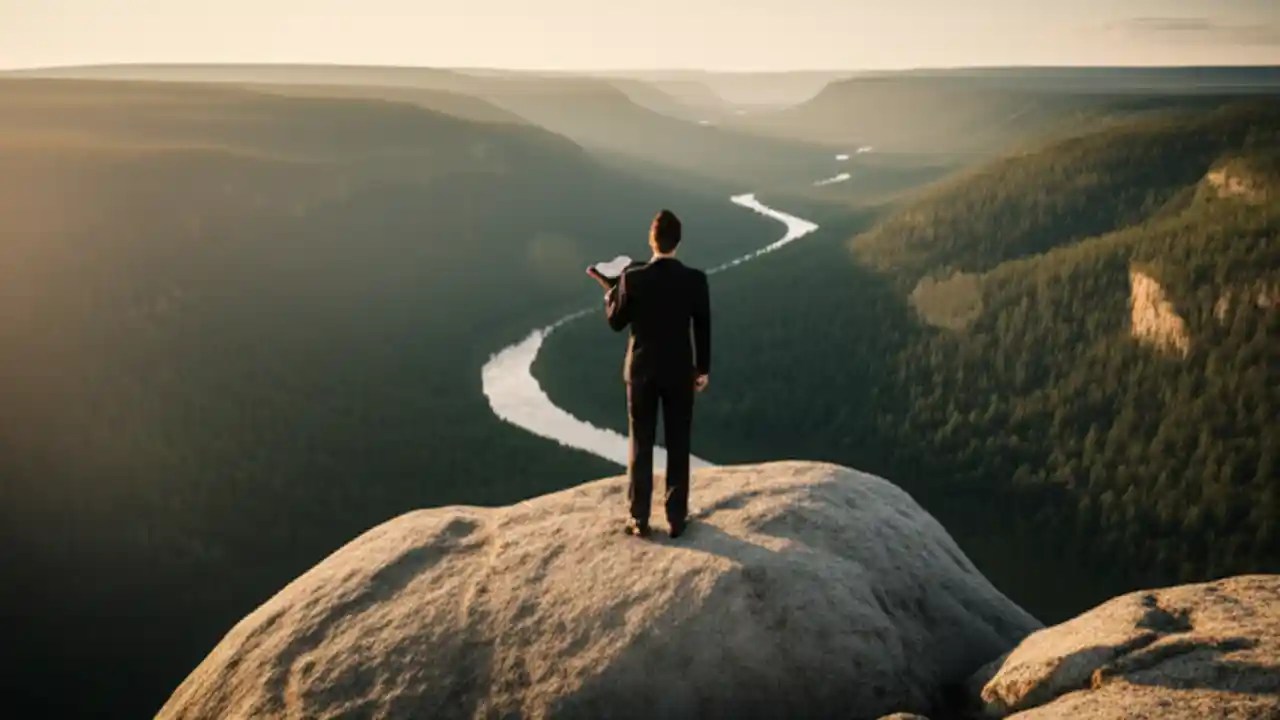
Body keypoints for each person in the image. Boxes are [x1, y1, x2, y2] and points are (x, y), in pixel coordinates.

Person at [601, 209, 711, 539]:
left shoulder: (632, 278)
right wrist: (702, 370)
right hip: (680, 371)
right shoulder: (695, 280)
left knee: (641, 443)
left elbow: (616, 322)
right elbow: (703, 327)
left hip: (642, 371)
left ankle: (639, 518)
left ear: (652, 239)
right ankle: (676, 518)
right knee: (679, 442)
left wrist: (610, 294)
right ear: (678, 241)